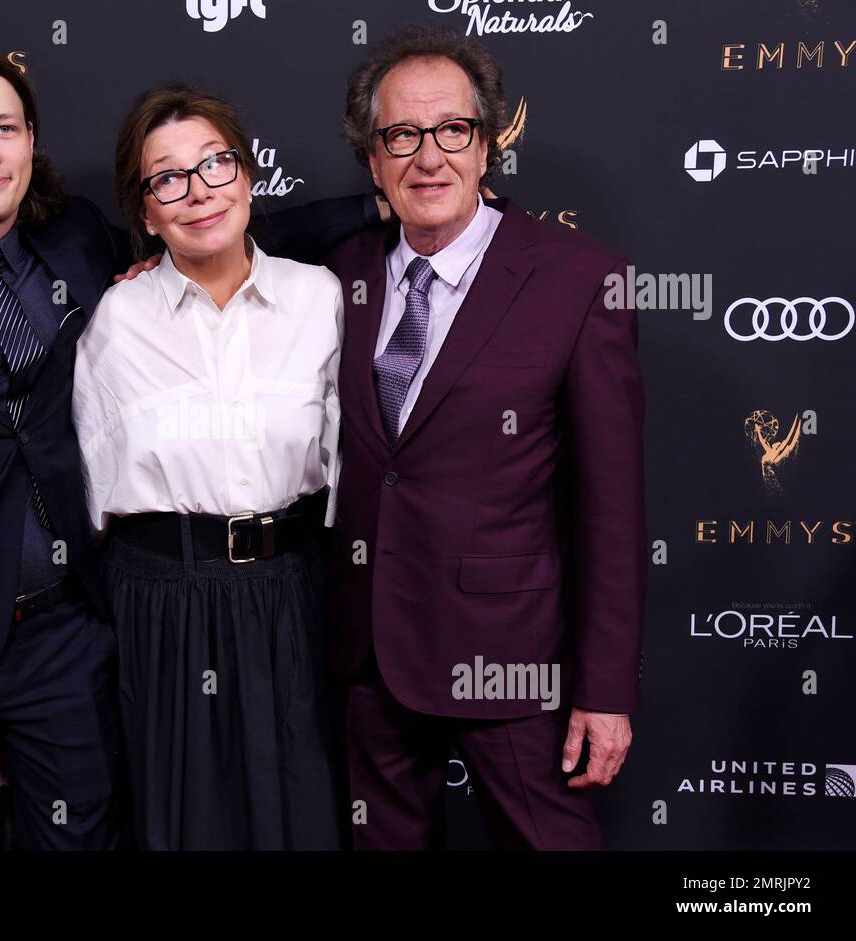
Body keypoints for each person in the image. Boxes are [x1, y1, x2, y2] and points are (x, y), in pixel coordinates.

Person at [0, 40, 378, 850]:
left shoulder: (80, 245)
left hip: (70, 636)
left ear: (32, 139)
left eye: (6, 128)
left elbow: (214, 223)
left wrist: (394, 200)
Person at [322, 26, 645, 850]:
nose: (428, 158)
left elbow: (610, 510)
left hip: (509, 661)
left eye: (452, 131)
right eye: (401, 135)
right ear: (373, 159)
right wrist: (156, 254)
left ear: (487, 142)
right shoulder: (342, 273)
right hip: (370, 657)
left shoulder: (578, 279)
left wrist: (604, 690)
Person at [72, 85, 345, 850]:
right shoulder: (115, 321)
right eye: (168, 178)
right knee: (185, 824)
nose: (198, 193)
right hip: (164, 606)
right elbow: (87, 491)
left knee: (304, 817)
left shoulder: (318, 298)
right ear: (146, 211)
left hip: (294, 596)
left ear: (249, 178)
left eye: (215, 164)